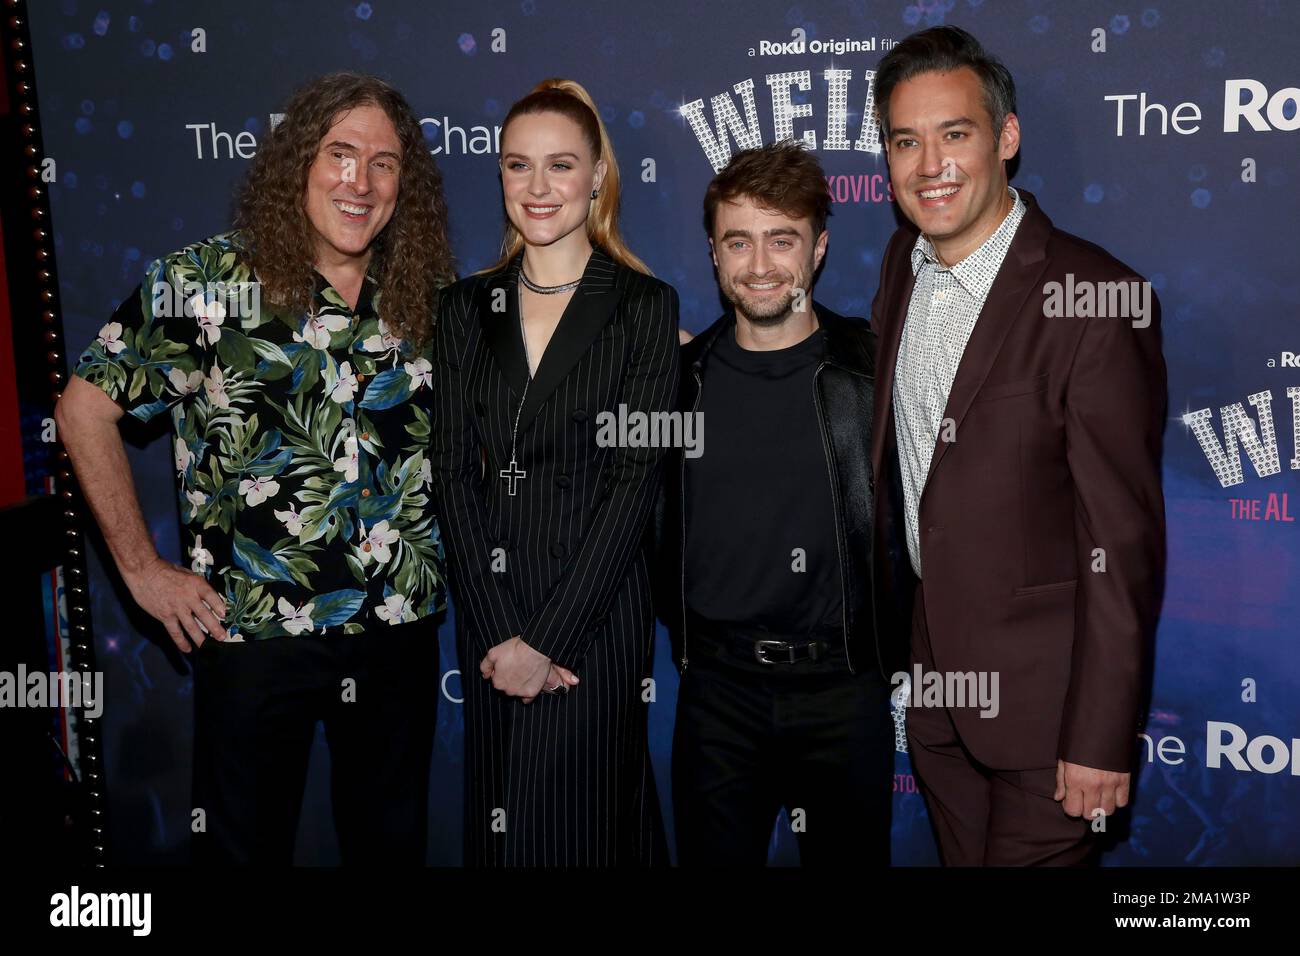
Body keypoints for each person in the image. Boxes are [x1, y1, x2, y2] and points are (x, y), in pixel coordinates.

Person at [55, 72, 455, 864]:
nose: (359, 180)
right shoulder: (203, 283)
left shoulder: (426, 296)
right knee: (243, 854)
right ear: (297, 162)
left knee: (393, 849)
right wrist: (140, 570)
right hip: (254, 632)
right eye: (340, 154)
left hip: (397, 632)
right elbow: (82, 409)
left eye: (383, 163)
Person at [869, 26, 1167, 865]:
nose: (930, 165)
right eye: (905, 141)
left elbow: (1125, 540)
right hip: (937, 701)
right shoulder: (903, 262)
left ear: (1006, 138)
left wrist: (1103, 735)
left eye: (955, 133)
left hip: (1050, 722)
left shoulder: (1097, 298)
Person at [432, 78, 678, 866]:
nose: (538, 188)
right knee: (507, 836)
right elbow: (449, 473)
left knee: (588, 830)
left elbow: (635, 484)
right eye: (517, 166)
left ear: (598, 173)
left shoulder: (644, 306)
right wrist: (502, 628)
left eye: (561, 165)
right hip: (492, 623)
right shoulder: (464, 308)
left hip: (596, 623)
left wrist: (548, 638)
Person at [653, 141, 896, 866]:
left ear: (818, 249)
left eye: (781, 239)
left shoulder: (874, 370)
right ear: (714, 251)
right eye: (739, 241)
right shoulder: (674, 383)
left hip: (844, 693)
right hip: (716, 696)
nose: (760, 265)